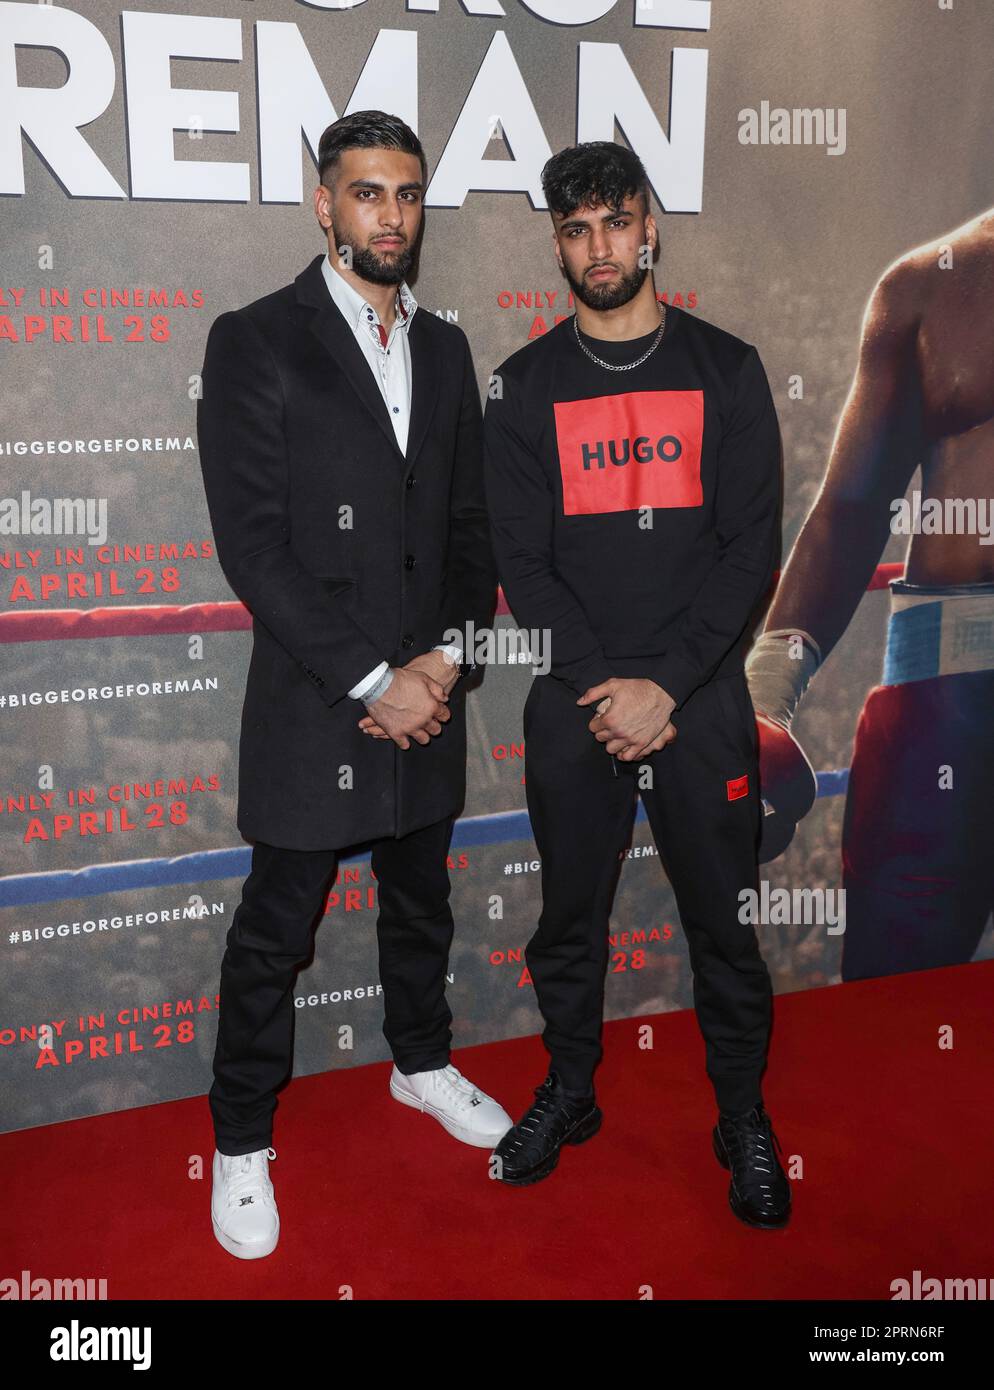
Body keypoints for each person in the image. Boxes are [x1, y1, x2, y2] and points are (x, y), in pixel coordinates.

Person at [196, 110, 509, 1260]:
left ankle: (419, 1065)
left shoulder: (446, 347)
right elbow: (255, 547)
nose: (391, 213)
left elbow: (472, 532)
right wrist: (373, 677)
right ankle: (238, 1140)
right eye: (367, 192)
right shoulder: (254, 339)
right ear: (324, 205)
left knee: (421, 901)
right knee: (277, 930)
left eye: (408, 193)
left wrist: (444, 659)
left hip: (428, 693)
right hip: (317, 701)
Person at [482, 140, 791, 1228]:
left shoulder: (728, 368)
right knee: (570, 920)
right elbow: (522, 563)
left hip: (699, 696)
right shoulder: (520, 387)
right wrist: (607, 687)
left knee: (722, 925)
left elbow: (750, 550)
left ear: (649, 227)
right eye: (575, 229)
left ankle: (743, 1116)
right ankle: (570, 1092)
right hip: (575, 699)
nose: (597, 246)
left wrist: (662, 686)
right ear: (557, 245)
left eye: (615, 222)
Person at [746, 208, 994, 979]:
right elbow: (850, 513)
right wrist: (763, 696)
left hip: (941, 700)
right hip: (944, 702)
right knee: (892, 1012)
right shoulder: (931, 286)